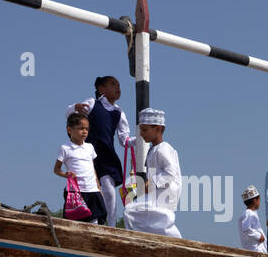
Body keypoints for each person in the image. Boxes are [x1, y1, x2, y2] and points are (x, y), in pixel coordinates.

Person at [67, 76, 131, 227]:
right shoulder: (92, 103)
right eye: (113, 84)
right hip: (88, 154)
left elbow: (124, 139)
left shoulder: (119, 112)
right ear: (101, 89)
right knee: (87, 188)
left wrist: (137, 140)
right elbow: (72, 117)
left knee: (108, 190)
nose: (118, 88)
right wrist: (74, 108)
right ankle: (91, 220)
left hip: (106, 154)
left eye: (119, 85)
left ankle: (112, 224)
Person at [123, 108, 182, 237]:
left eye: (145, 130)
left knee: (130, 211)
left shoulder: (163, 149)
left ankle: (176, 239)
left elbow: (170, 173)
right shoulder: (153, 149)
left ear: (158, 129)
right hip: (156, 193)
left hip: (163, 194)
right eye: (141, 130)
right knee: (148, 220)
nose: (142, 134)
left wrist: (150, 183)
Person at [54, 111, 108, 224]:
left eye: (87, 129)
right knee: (77, 220)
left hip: (92, 190)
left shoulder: (89, 147)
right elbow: (56, 169)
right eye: (81, 128)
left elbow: (92, 168)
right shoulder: (65, 148)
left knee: (96, 219)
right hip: (77, 192)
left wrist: (99, 187)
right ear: (69, 130)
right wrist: (66, 174)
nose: (84, 132)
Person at [238, 185, 267, 253]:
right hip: (255, 250)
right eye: (259, 199)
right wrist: (259, 236)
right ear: (255, 200)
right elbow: (247, 229)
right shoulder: (248, 213)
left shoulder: (250, 213)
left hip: (256, 249)